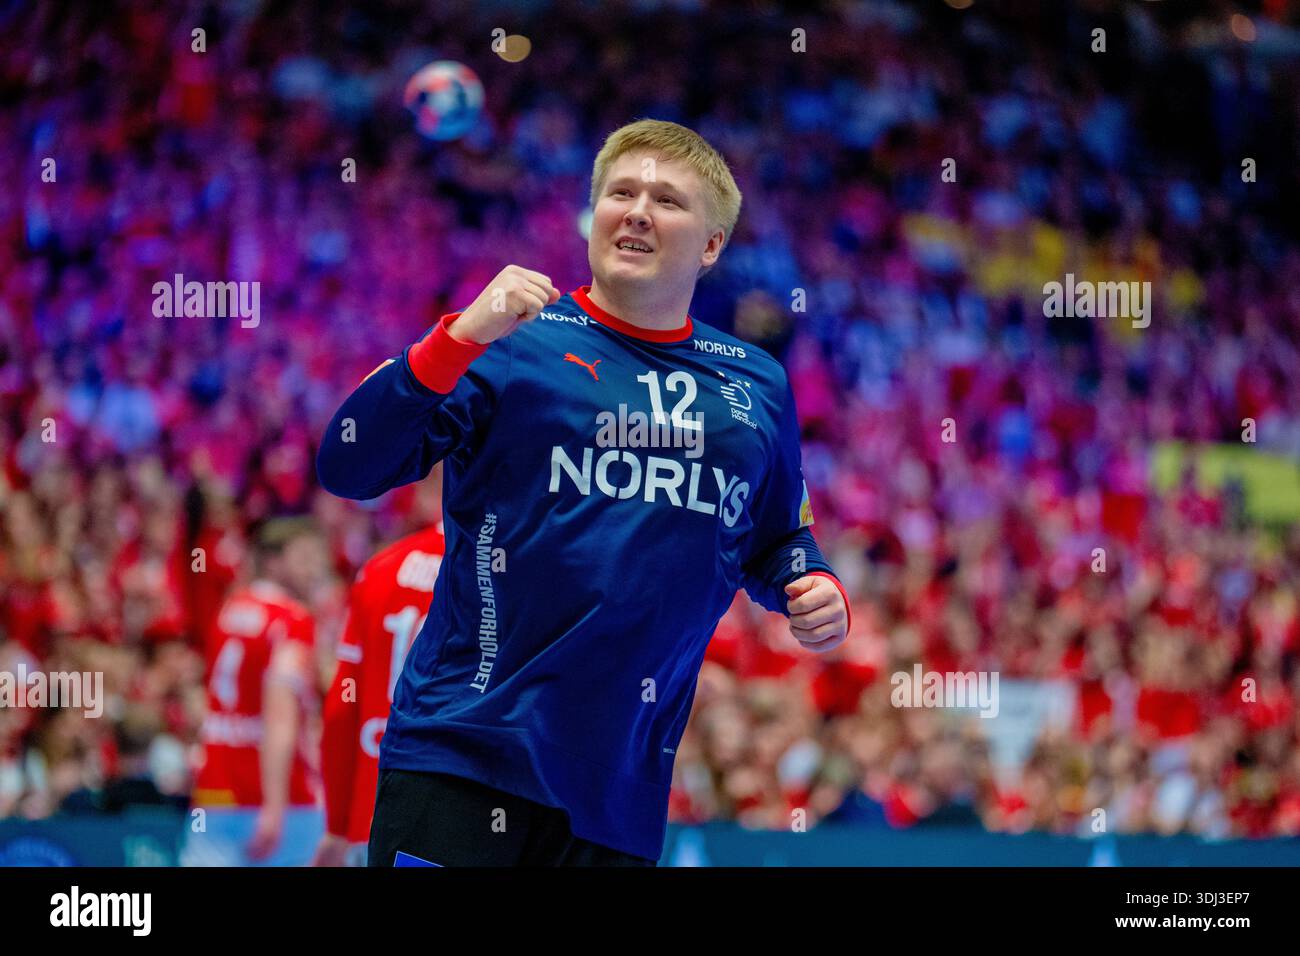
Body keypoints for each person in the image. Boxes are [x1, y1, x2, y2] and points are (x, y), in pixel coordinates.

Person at [317, 119, 851, 867]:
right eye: (619, 192)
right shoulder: (512, 339)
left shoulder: (755, 382)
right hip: (465, 755)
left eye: (666, 200)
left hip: (617, 795)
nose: (635, 210)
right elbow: (349, 464)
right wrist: (458, 338)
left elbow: (772, 537)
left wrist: (811, 580)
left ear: (711, 246)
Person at [181, 517, 324, 866]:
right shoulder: (291, 620)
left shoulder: (228, 610)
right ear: (273, 561)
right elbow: (280, 719)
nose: (313, 570)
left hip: (215, 789)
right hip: (283, 798)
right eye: (303, 559)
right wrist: (274, 805)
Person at [312, 522, 445, 866]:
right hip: (453, 813)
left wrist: (337, 826)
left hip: (371, 819)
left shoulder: (382, 566)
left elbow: (342, 709)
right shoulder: (502, 567)